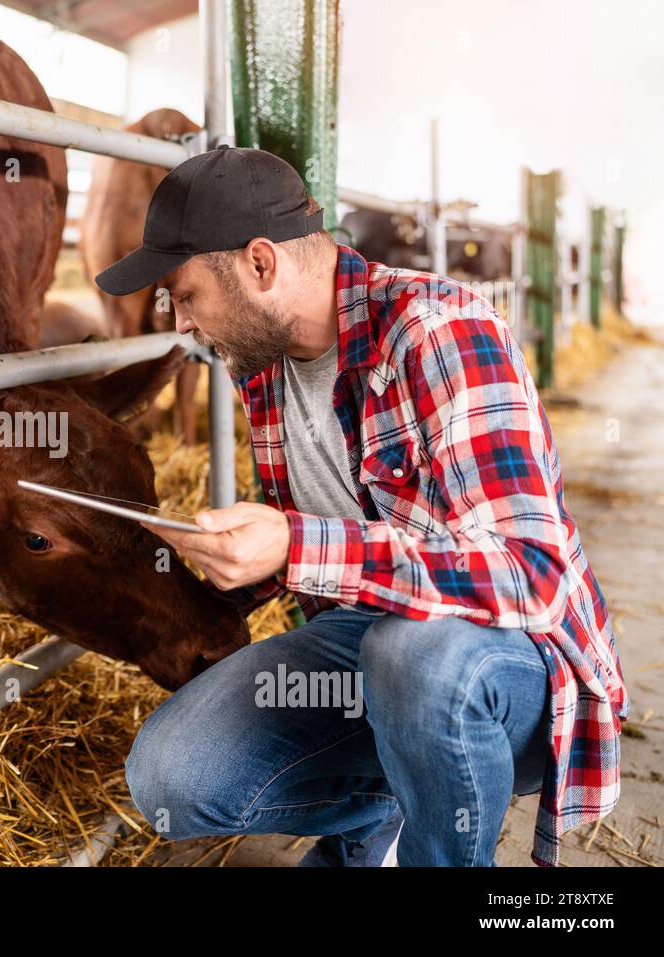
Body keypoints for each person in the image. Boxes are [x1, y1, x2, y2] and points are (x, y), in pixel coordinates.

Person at [95, 145, 628, 866]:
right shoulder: (263, 368)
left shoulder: (440, 330)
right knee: (171, 774)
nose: (183, 323)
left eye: (186, 295)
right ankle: (390, 807)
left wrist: (295, 544)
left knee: (414, 654)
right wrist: (223, 560)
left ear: (260, 263)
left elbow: (528, 575)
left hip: (508, 663)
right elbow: (331, 538)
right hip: (371, 645)